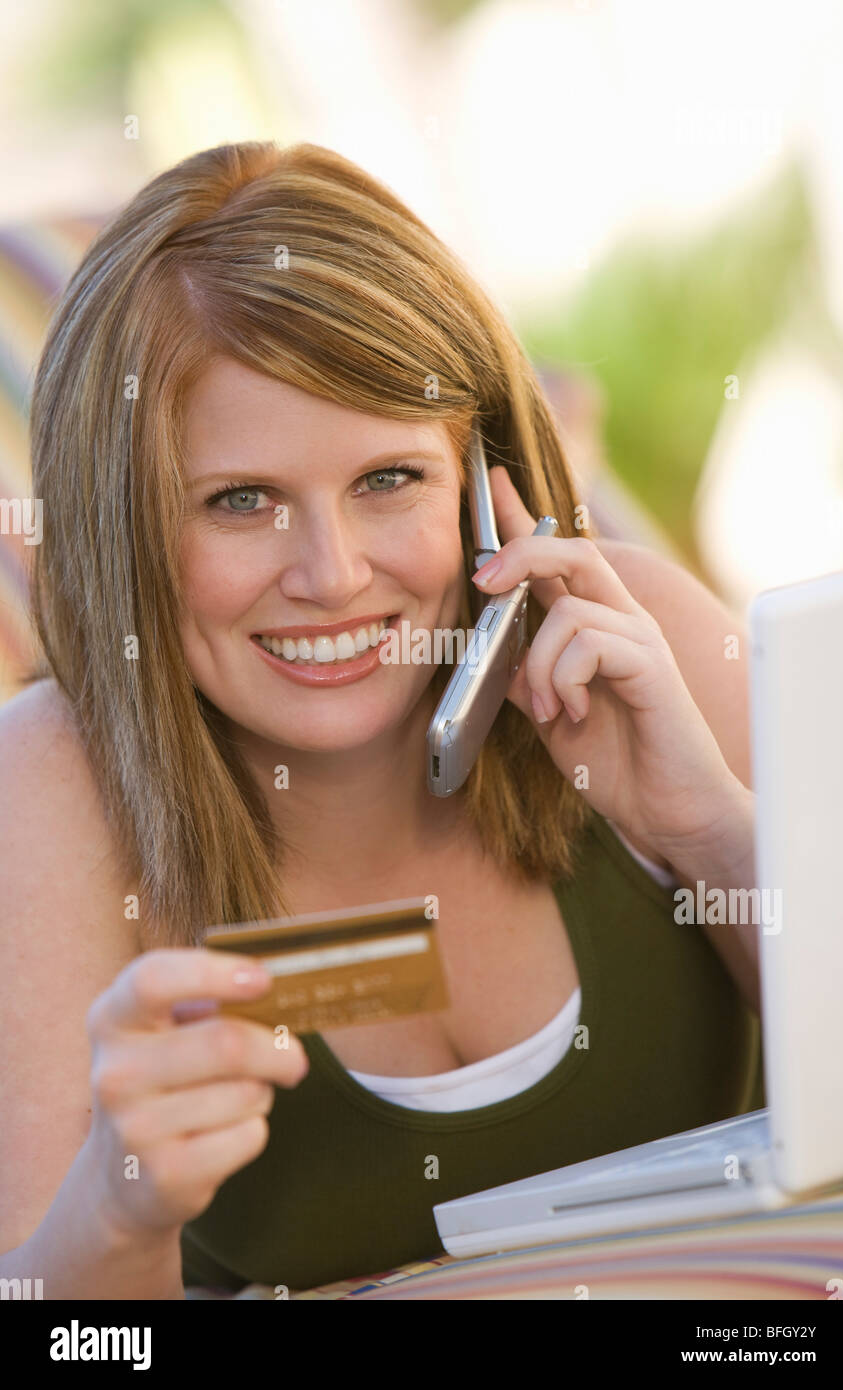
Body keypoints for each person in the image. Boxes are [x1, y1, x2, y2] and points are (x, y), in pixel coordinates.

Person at [0, 141, 761, 1299]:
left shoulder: (632, 634)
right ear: (127, 537)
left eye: (387, 480)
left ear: (481, 485)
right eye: (239, 501)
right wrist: (115, 1209)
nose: (332, 575)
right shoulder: (54, 787)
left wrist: (706, 828)